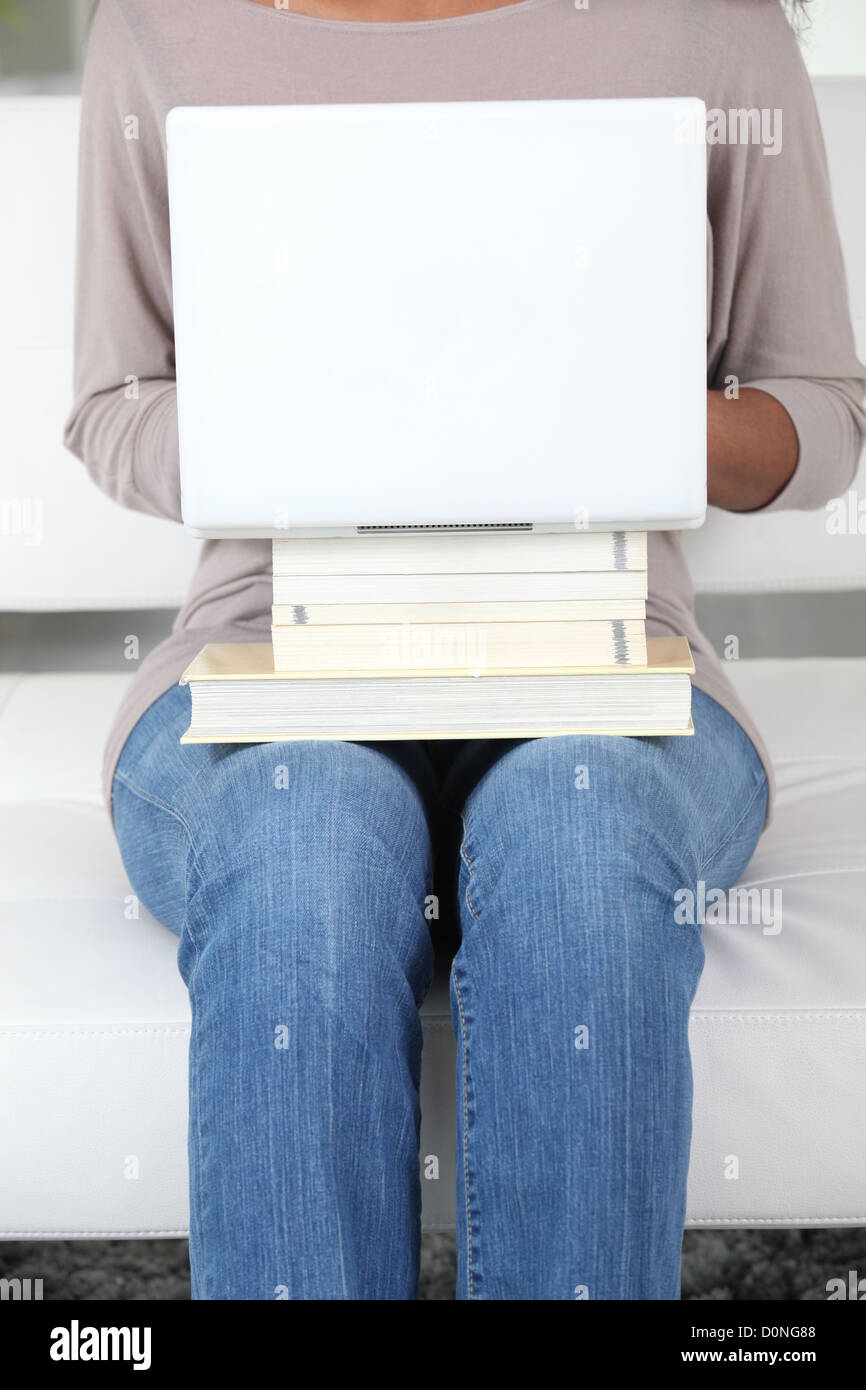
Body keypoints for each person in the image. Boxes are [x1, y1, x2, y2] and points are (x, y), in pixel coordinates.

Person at [64, 0, 865, 1300]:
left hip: (608, 649)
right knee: (305, 834)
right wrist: (339, 409)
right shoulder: (160, 26)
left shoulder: (708, 22)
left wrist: (596, 403)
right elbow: (114, 412)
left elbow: (820, 416)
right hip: (272, 648)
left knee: (574, 827)